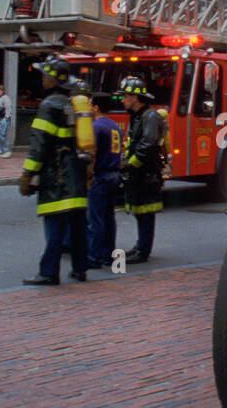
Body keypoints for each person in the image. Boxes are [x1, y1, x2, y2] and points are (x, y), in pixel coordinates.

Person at [19, 57, 89, 286]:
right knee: (78, 226)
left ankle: (49, 273)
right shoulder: (70, 103)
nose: (42, 78)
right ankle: (80, 269)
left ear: (51, 79)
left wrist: (28, 174)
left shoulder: (49, 105)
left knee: (55, 227)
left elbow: (40, 145)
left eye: (44, 75)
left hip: (57, 177)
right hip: (75, 174)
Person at [119, 76, 164, 263]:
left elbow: (148, 145)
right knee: (140, 212)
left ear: (135, 97)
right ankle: (140, 245)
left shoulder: (150, 116)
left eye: (125, 96)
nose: (122, 100)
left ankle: (143, 251)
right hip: (139, 174)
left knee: (145, 213)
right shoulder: (138, 116)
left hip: (147, 175)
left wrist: (130, 164)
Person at [86, 92, 124, 269]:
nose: (87, 107)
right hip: (115, 174)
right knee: (109, 217)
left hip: (100, 176)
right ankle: (109, 255)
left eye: (89, 104)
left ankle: (94, 257)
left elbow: (92, 154)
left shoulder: (96, 126)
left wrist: (88, 176)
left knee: (96, 218)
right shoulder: (115, 126)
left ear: (96, 107)